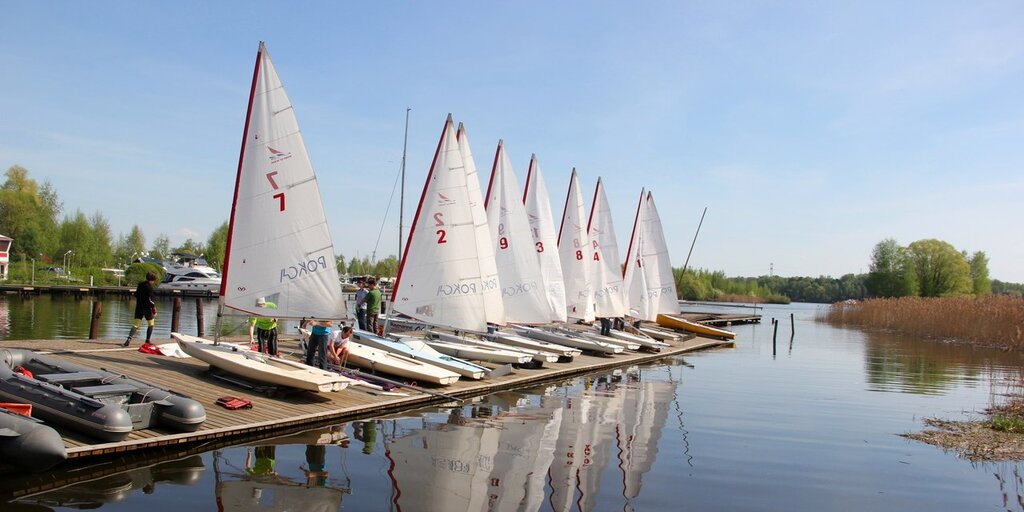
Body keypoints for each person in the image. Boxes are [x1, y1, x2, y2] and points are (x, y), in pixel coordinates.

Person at [124, 271, 158, 347]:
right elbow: (151, 300)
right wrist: (154, 308)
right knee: (151, 323)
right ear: (153, 280)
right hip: (147, 308)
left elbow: (136, 294)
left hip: (139, 307)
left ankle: (129, 338)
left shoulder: (140, 285)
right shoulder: (150, 288)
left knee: (136, 324)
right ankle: (147, 341)